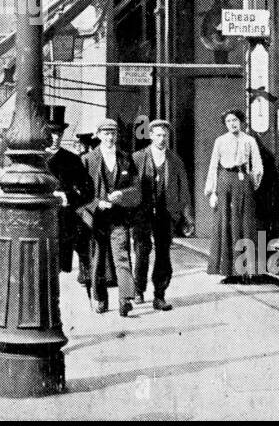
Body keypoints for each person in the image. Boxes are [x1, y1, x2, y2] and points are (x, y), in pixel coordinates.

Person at [79, 119, 142, 316]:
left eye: (113, 133)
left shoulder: (125, 158)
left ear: (117, 135)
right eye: (106, 133)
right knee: (98, 259)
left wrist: (122, 194)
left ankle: (125, 299)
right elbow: (80, 193)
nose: (110, 137)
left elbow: (136, 188)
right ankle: (100, 298)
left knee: (121, 256)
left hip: (118, 217)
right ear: (98, 135)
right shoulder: (88, 159)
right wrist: (97, 203)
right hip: (96, 219)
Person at [131, 120, 194, 311]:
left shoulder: (175, 161)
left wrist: (187, 216)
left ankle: (159, 295)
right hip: (142, 212)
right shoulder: (138, 158)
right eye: (158, 135)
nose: (162, 139)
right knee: (141, 250)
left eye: (165, 135)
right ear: (151, 136)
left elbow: (184, 190)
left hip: (165, 213)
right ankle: (138, 289)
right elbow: (129, 187)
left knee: (163, 254)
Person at [204, 110, 264, 282]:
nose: (232, 123)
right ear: (225, 124)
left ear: (241, 122)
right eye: (229, 121)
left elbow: (257, 166)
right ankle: (228, 271)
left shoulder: (250, 140)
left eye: (235, 120)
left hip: (243, 181)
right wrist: (212, 191)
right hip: (224, 182)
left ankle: (246, 272)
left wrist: (251, 184)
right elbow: (213, 166)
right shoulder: (220, 141)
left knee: (245, 224)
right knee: (226, 223)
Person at [44, 117, 93, 303]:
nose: (55, 137)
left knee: (67, 252)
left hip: (66, 216)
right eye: (51, 133)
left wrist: (68, 196)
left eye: (58, 133)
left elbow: (86, 189)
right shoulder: (36, 158)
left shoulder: (72, 159)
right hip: (43, 217)